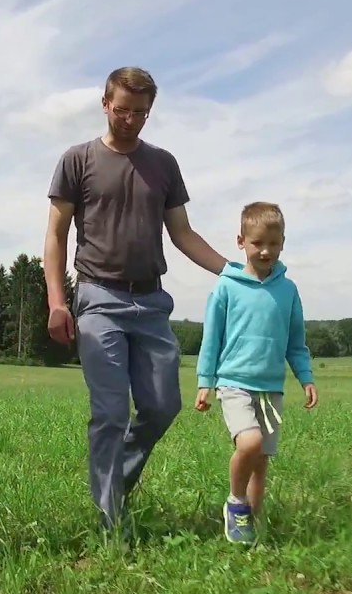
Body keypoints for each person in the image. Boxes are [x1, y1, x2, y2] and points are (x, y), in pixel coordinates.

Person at [43, 66, 230, 536]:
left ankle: (116, 480)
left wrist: (237, 272)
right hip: (98, 297)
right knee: (109, 411)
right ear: (105, 104)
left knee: (164, 406)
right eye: (122, 109)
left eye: (140, 113)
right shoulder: (77, 159)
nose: (129, 120)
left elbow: (183, 233)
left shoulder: (163, 164)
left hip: (150, 303)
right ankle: (111, 519)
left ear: (150, 112)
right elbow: (55, 235)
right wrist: (56, 302)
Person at [193, 201, 318, 545]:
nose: (265, 251)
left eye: (273, 244)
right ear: (241, 241)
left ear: (282, 243)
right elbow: (212, 338)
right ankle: (236, 503)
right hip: (234, 383)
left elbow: (296, 342)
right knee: (249, 442)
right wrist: (206, 382)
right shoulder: (227, 287)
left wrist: (305, 377)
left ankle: (251, 526)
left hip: (271, 388)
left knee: (261, 462)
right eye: (257, 243)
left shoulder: (288, 290)